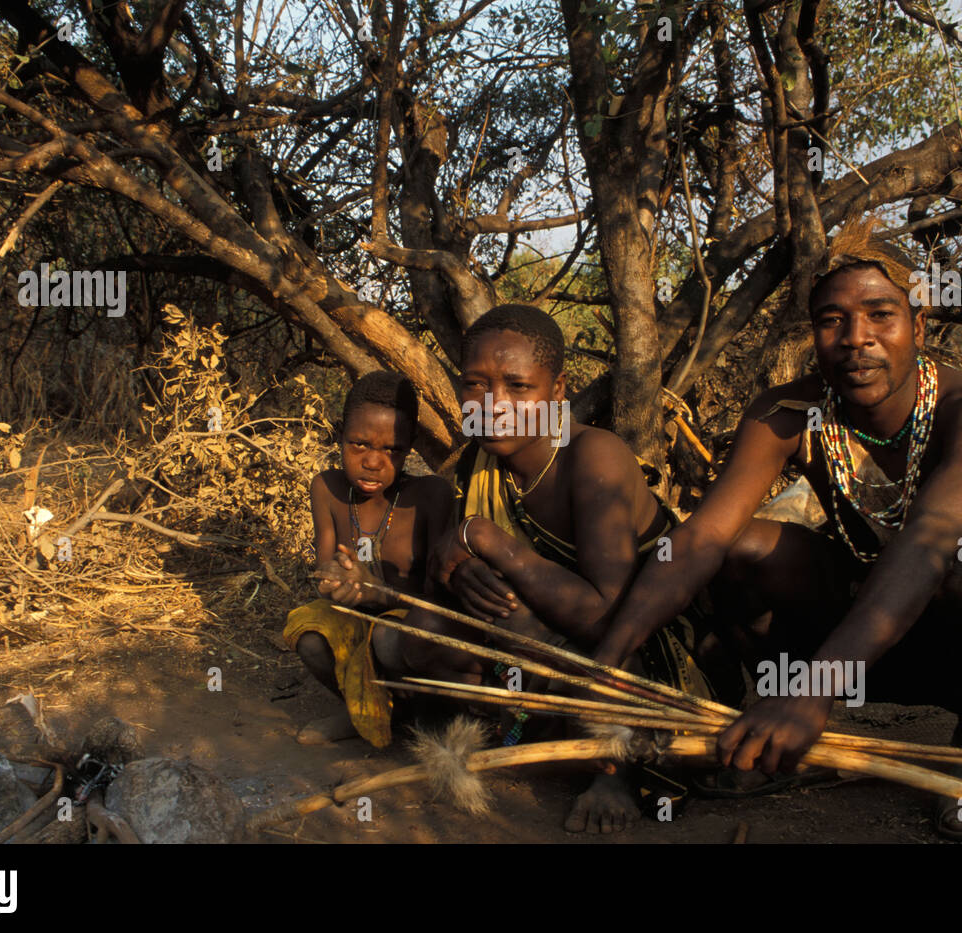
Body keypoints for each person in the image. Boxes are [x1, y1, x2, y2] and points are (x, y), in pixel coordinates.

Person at [593, 222, 962, 842]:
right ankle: (759, 725)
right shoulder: (790, 412)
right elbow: (702, 538)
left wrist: (816, 688)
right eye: (831, 320)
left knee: (960, 556)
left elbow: (932, 538)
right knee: (738, 548)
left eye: (881, 315)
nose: (855, 338)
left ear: (919, 325)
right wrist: (608, 657)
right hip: (867, 623)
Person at [405, 303, 723, 834]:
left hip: (645, 654)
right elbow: (451, 569)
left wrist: (488, 541)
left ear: (557, 391)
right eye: (476, 384)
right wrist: (460, 569)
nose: (494, 405)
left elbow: (605, 616)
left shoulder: (593, 456)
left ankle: (614, 768)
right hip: (551, 641)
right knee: (421, 630)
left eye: (518, 387)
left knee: (513, 615)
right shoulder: (477, 461)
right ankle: (520, 726)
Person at [283, 371, 452, 746]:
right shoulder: (327, 488)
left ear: (409, 448)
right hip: (355, 621)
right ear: (340, 434)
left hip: (411, 632)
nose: (374, 462)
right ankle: (361, 709)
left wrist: (379, 593)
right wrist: (334, 578)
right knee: (309, 632)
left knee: (389, 640)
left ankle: (422, 717)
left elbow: (441, 602)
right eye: (359, 445)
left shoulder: (429, 496)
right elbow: (324, 569)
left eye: (392, 450)